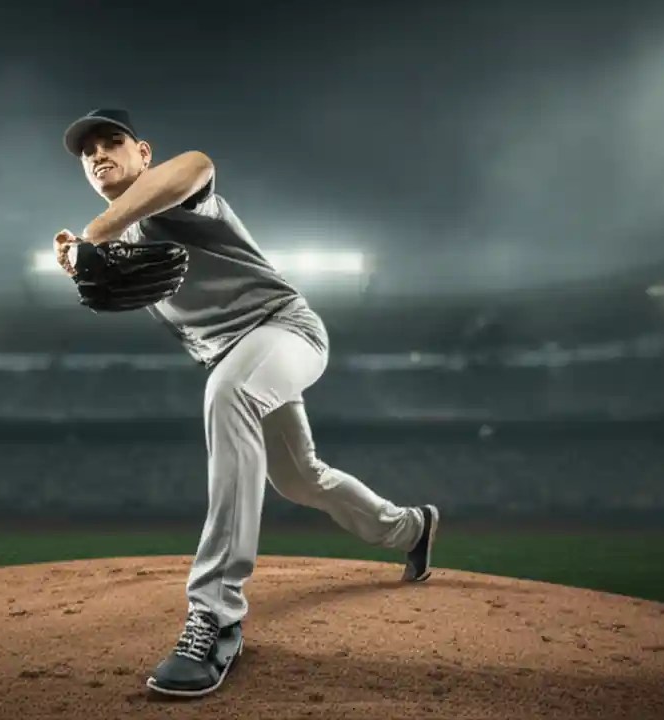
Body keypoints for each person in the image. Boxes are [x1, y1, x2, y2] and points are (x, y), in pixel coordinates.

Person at [55, 108, 439, 698]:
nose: (99, 154)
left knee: (229, 393)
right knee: (301, 479)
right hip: (239, 356)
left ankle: (216, 614)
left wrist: (95, 232)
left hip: (285, 329)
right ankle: (410, 528)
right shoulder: (121, 238)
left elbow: (196, 165)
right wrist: (79, 257)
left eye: (113, 141)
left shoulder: (176, 196)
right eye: (88, 152)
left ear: (144, 153)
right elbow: (116, 273)